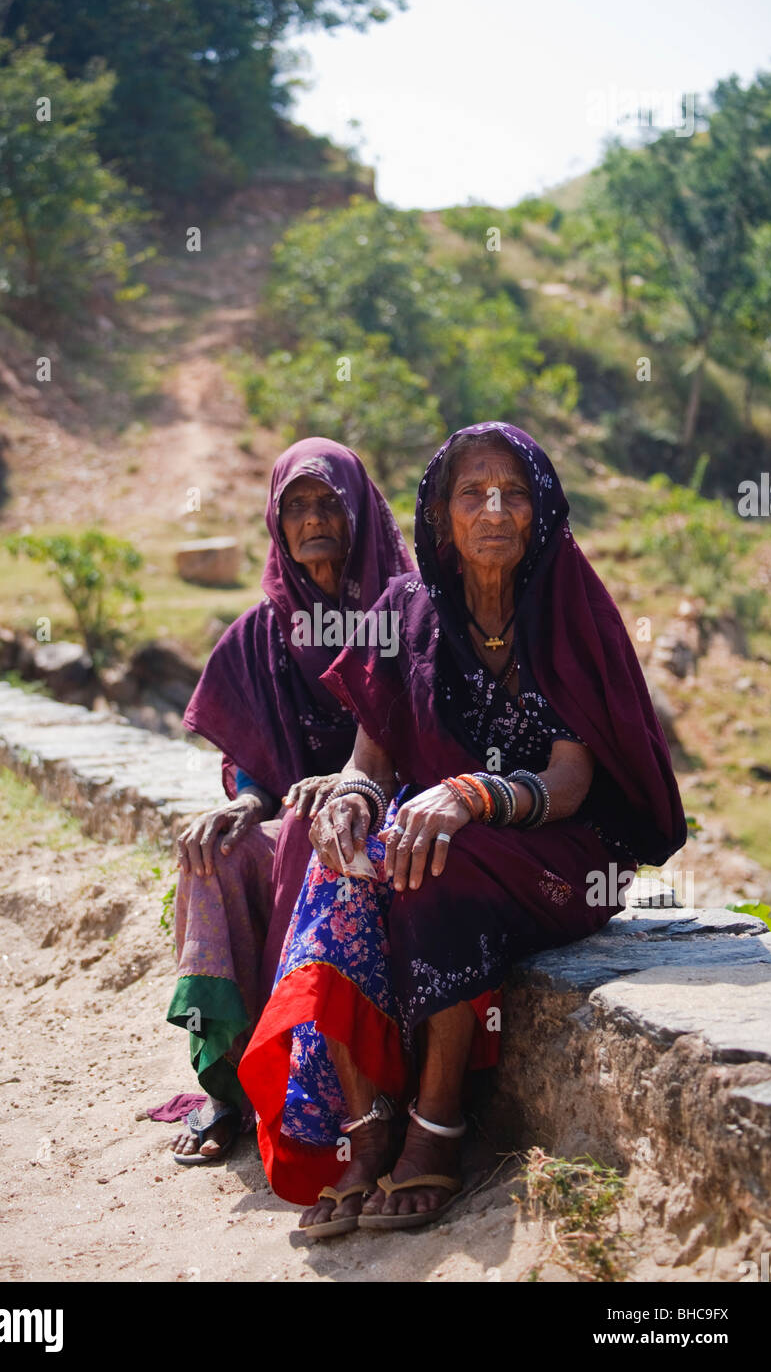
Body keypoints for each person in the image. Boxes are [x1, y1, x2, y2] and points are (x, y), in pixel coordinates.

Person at [238, 420, 687, 1234]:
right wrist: (351, 800)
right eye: (472, 493)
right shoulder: (410, 609)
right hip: (452, 832)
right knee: (336, 856)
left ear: (540, 511)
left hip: (564, 851)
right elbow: (369, 757)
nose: (494, 511)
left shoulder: (565, 603)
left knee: (439, 850)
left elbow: (569, 779)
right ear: (439, 516)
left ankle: (437, 1124)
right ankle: (367, 1122)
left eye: (514, 494)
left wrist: (473, 793)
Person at [167, 437, 413, 1163]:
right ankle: (229, 1087)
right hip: (294, 820)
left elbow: (427, 734)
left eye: (327, 503)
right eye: (296, 507)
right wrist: (244, 804)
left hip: (385, 822)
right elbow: (249, 763)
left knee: (312, 829)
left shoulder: (404, 612)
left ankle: (317, 1088)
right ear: (278, 524)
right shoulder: (262, 632)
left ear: (359, 511)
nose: (313, 520)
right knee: (213, 853)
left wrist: (351, 782)